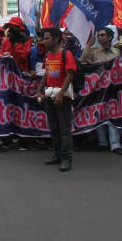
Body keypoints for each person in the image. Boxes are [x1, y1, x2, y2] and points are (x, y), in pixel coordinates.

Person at [35, 27, 77, 172]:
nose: (44, 41)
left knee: (64, 129)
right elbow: (46, 74)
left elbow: (69, 76)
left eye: (47, 38)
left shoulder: (66, 54)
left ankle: (66, 158)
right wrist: (39, 89)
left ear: (56, 39)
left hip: (62, 96)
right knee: (54, 128)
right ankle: (57, 155)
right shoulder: (48, 55)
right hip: (49, 95)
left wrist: (60, 94)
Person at [80, 27, 122, 154]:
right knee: (98, 113)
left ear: (110, 37)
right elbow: (82, 60)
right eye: (98, 35)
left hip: (113, 87)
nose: (99, 37)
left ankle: (115, 144)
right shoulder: (94, 52)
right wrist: (89, 45)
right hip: (98, 88)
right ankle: (102, 143)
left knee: (113, 114)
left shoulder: (117, 52)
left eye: (102, 35)